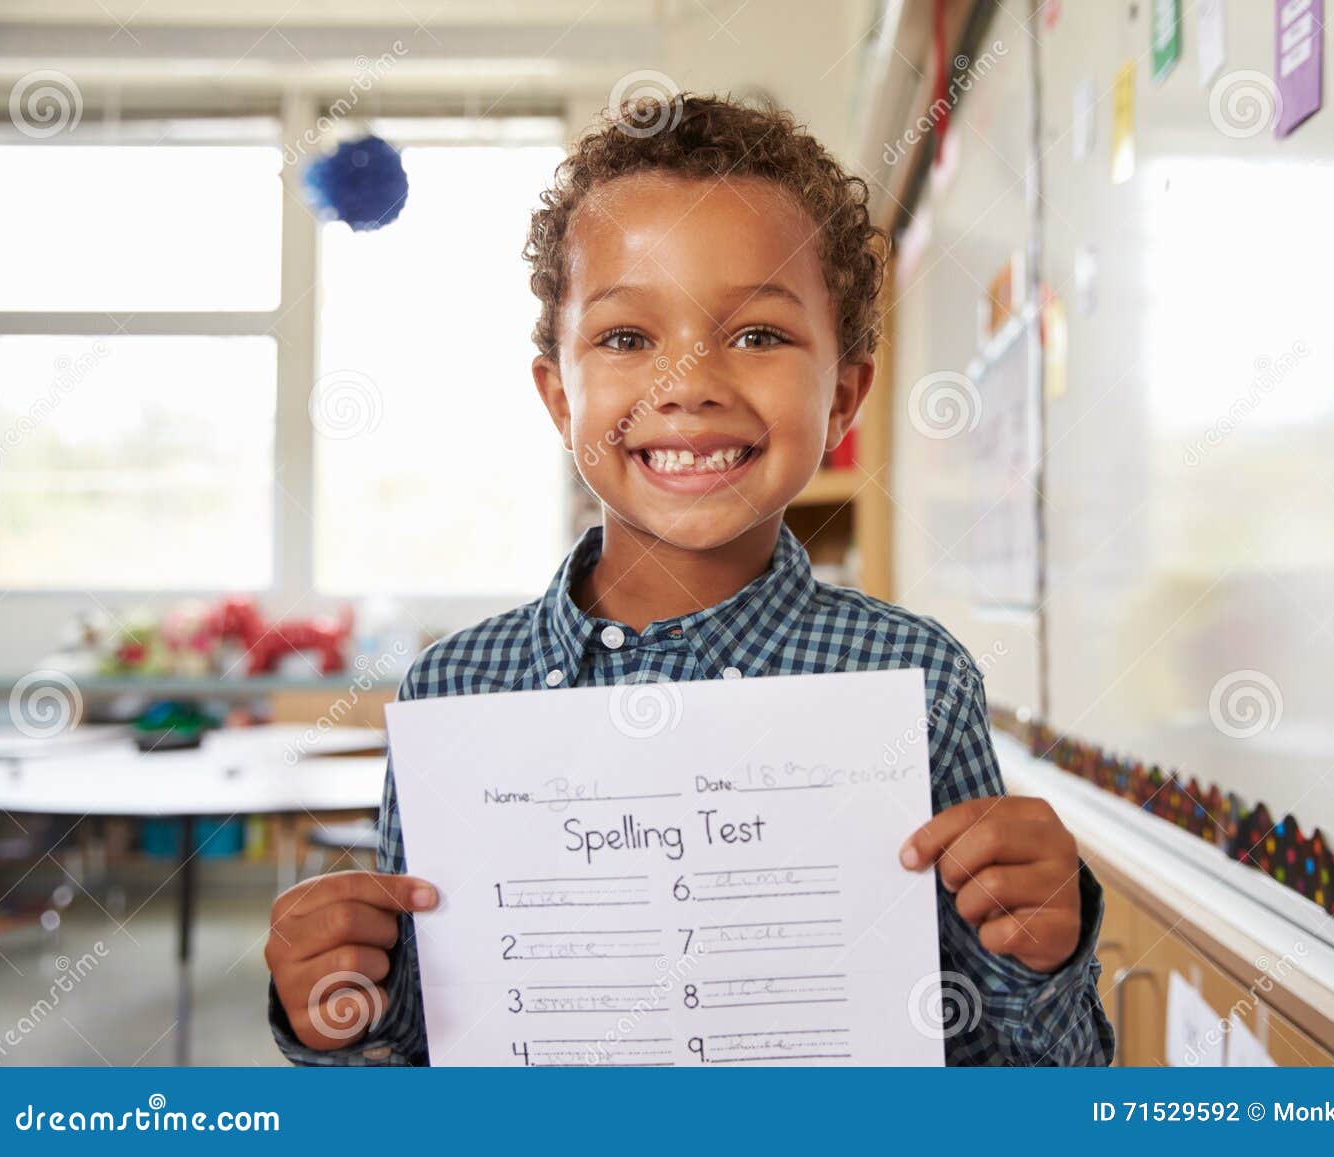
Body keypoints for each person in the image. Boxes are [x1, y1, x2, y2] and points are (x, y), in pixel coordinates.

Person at [264, 93, 1113, 1067]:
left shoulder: (915, 678)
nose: (690, 381)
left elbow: (1037, 1086)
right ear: (559, 393)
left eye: (757, 334)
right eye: (626, 339)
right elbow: (420, 1054)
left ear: (842, 393)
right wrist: (333, 1009)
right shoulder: (455, 693)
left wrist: (1042, 951)